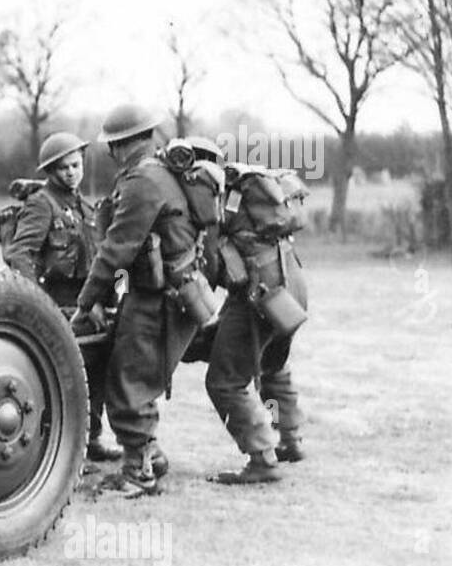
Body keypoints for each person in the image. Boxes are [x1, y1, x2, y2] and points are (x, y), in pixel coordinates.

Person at [71, 104, 206, 496]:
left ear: (122, 144)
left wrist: (86, 302)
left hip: (160, 298)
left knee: (129, 379)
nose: (111, 153)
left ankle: (137, 473)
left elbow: (117, 250)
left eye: (112, 146)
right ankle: (149, 454)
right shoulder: (160, 172)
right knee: (137, 375)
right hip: (168, 291)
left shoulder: (143, 181)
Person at [196, 136, 308, 483]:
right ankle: (290, 439)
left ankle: (262, 459)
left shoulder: (211, 194)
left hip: (257, 293)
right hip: (290, 283)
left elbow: (213, 262)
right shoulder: (247, 189)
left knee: (225, 380)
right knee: (273, 362)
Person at [2, 131, 117, 461]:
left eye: (77, 165)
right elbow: (19, 254)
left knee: (95, 374)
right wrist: (38, 303)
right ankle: (59, 452)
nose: (72, 172)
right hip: (57, 302)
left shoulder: (85, 205)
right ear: (50, 171)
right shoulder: (42, 205)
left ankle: (91, 440)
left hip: (89, 301)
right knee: (60, 378)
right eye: (64, 167)